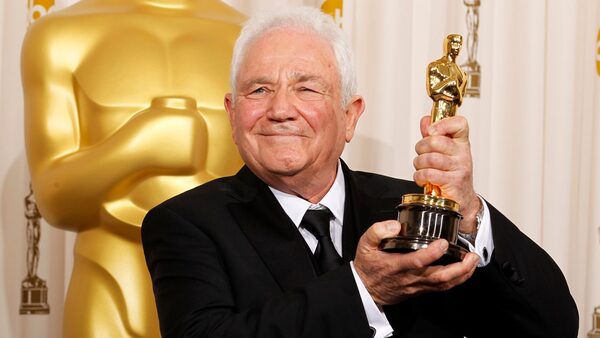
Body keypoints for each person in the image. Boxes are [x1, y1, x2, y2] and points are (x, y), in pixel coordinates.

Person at [142, 6, 578, 338]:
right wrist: (363, 289)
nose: (279, 110)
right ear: (233, 115)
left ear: (350, 116)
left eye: (306, 87)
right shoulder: (184, 223)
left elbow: (552, 324)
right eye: (259, 89)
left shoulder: (413, 212)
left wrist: (468, 215)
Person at [21, 0, 244, 336]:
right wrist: (139, 145)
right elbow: (55, 199)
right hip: (108, 291)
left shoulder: (248, 39)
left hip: (226, 294)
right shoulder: (59, 35)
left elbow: (275, 198)